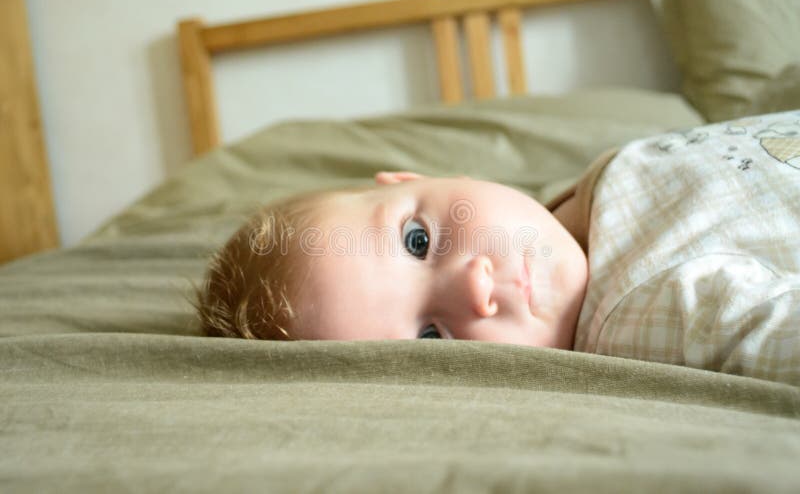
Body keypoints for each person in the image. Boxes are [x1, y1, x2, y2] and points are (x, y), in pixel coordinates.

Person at [196, 111, 800, 385]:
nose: (477, 287)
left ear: (414, 179)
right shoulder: (649, 311)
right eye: (432, 336)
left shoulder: (573, 202)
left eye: (417, 240)